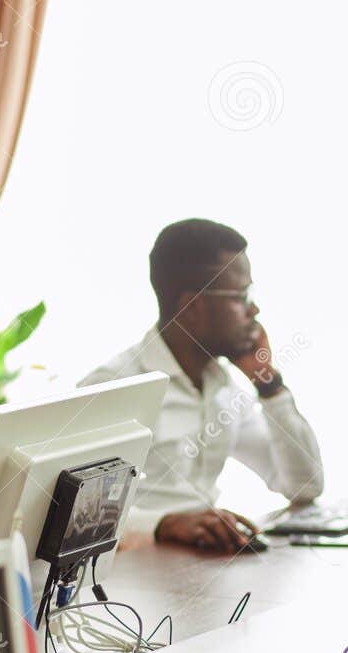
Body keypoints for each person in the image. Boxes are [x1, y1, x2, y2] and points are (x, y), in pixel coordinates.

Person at [80, 218, 324, 552]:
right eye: (241, 296)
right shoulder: (113, 387)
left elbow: (304, 486)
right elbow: (79, 518)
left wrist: (268, 384)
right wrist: (164, 524)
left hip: (203, 565)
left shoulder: (221, 386)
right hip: (135, 583)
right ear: (193, 306)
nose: (254, 309)